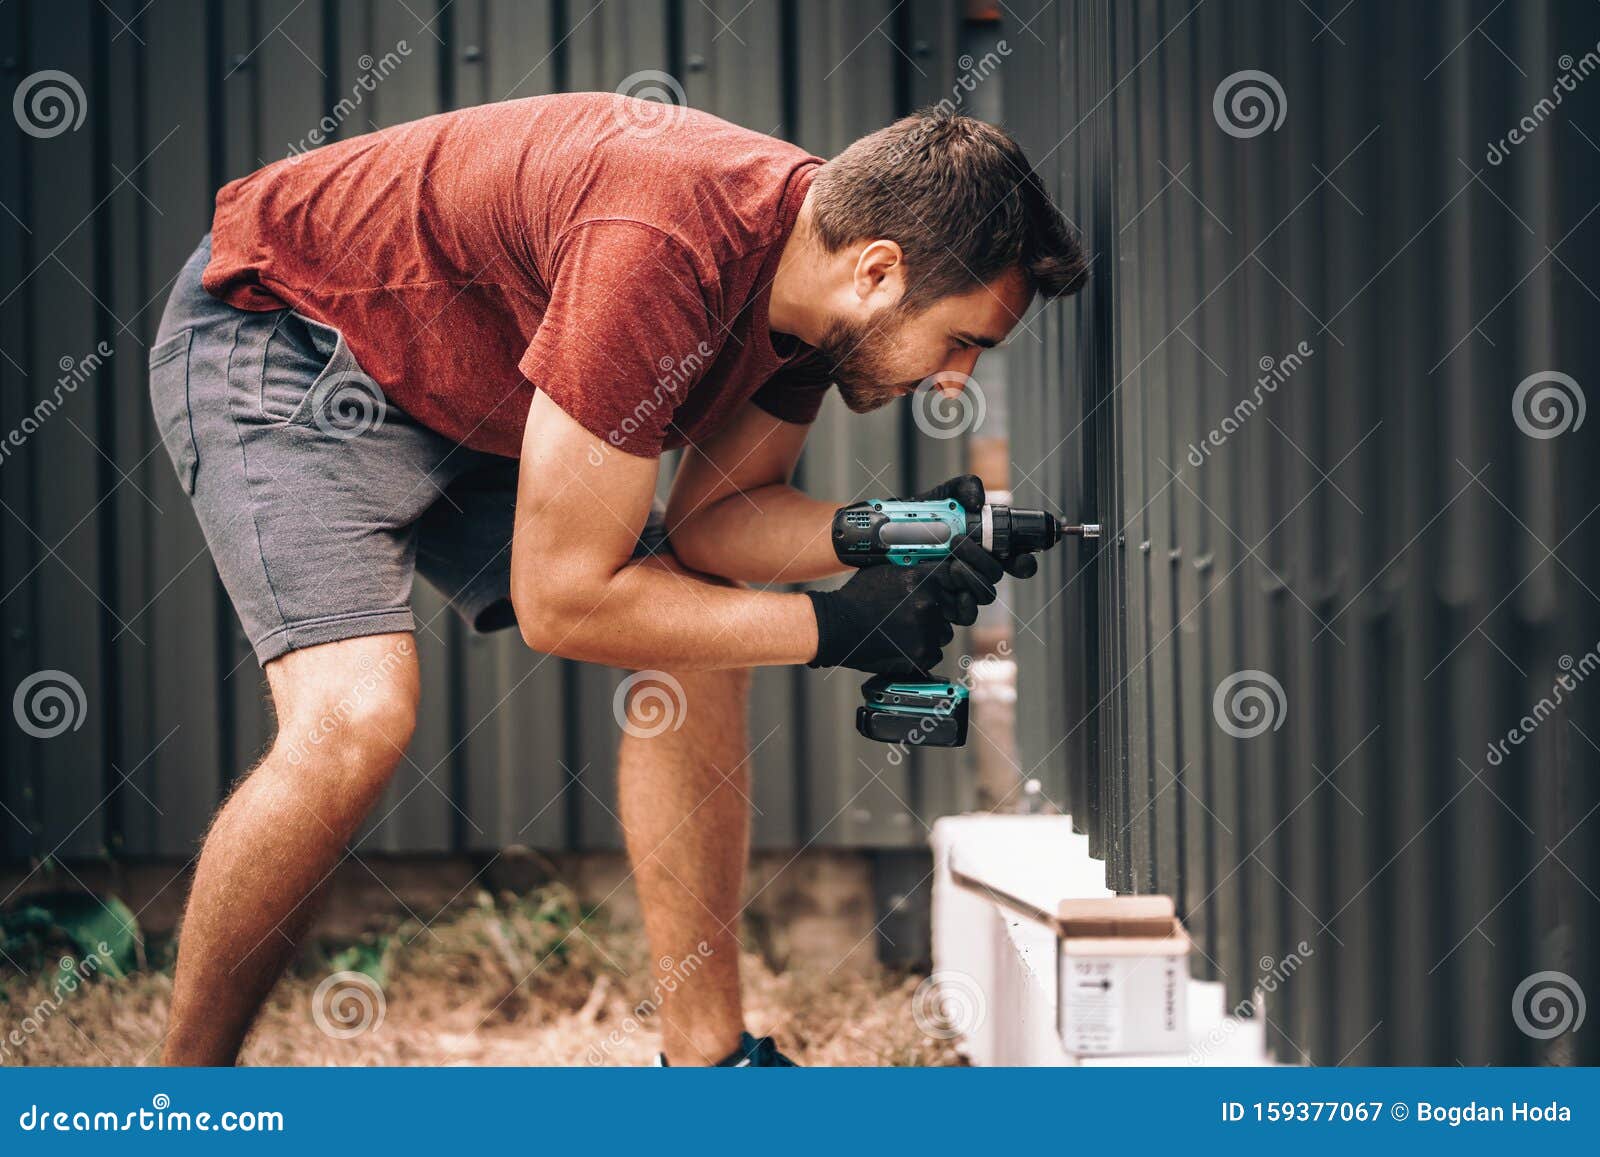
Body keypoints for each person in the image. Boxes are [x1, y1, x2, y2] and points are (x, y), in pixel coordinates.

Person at [147, 91, 1086, 1066]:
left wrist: (904, 534)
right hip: (293, 337)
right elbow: (566, 601)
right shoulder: (664, 247)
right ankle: (180, 1101)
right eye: (962, 338)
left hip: (479, 388)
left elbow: (717, 524)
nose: (955, 380)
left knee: (694, 633)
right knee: (356, 718)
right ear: (879, 270)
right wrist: (838, 629)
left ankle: (705, 1063)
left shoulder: (813, 297)